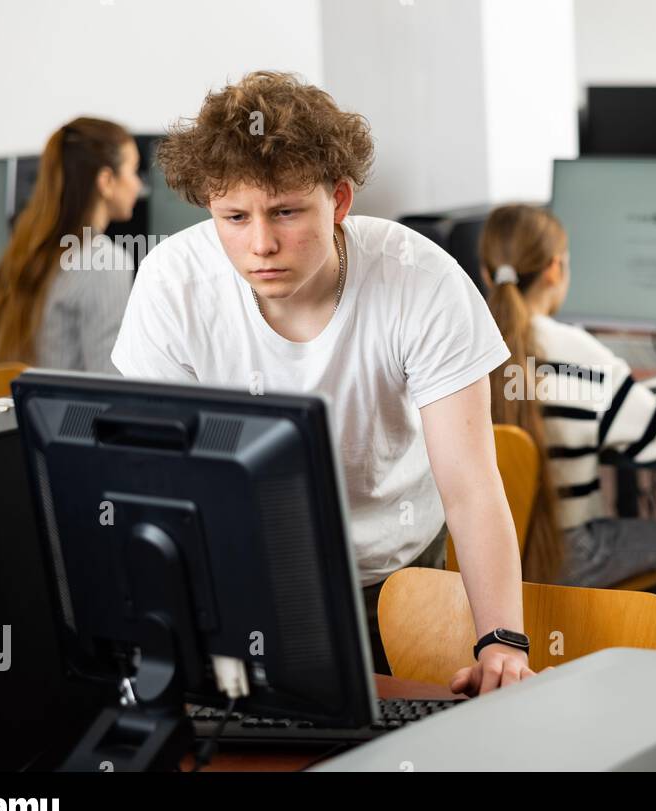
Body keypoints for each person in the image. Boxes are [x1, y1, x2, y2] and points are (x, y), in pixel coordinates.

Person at [110, 71, 529, 696]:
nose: (260, 245)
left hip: (396, 577)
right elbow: (161, 483)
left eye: (286, 211)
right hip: (242, 577)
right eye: (233, 216)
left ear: (338, 200)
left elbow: (470, 488)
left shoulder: (421, 281)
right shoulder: (173, 284)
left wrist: (503, 641)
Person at [478, 204, 656, 616]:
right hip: (565, 556)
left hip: (471, 557)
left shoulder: (458, 342)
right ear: (555, 269)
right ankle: (644, 658)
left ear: (486, 272)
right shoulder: (579, 352)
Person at [0, 117, 139, 371]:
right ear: (107, 181)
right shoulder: (104, 261)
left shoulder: (23, 247)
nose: (138, 185)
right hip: (67, 412)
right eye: (133, 170)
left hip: (16, 407)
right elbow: (109, 383)